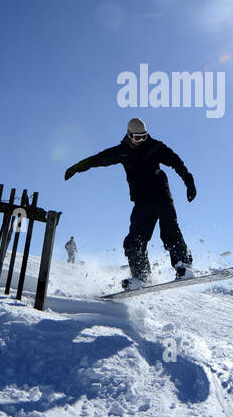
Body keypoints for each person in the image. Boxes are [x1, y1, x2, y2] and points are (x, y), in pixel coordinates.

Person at [64, 117, 196, 289]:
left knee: (170, 229)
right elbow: (99, 159)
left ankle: (183, 265)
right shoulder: (121, 151)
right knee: (134, 240)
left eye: (144, 137)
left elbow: (176, 162)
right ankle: (141, 275)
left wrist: (189, 181)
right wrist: (77, 167)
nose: (141, 141)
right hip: (142, 202)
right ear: (129, 135)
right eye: (137, 138)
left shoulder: (155, 147)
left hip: (161, 196)